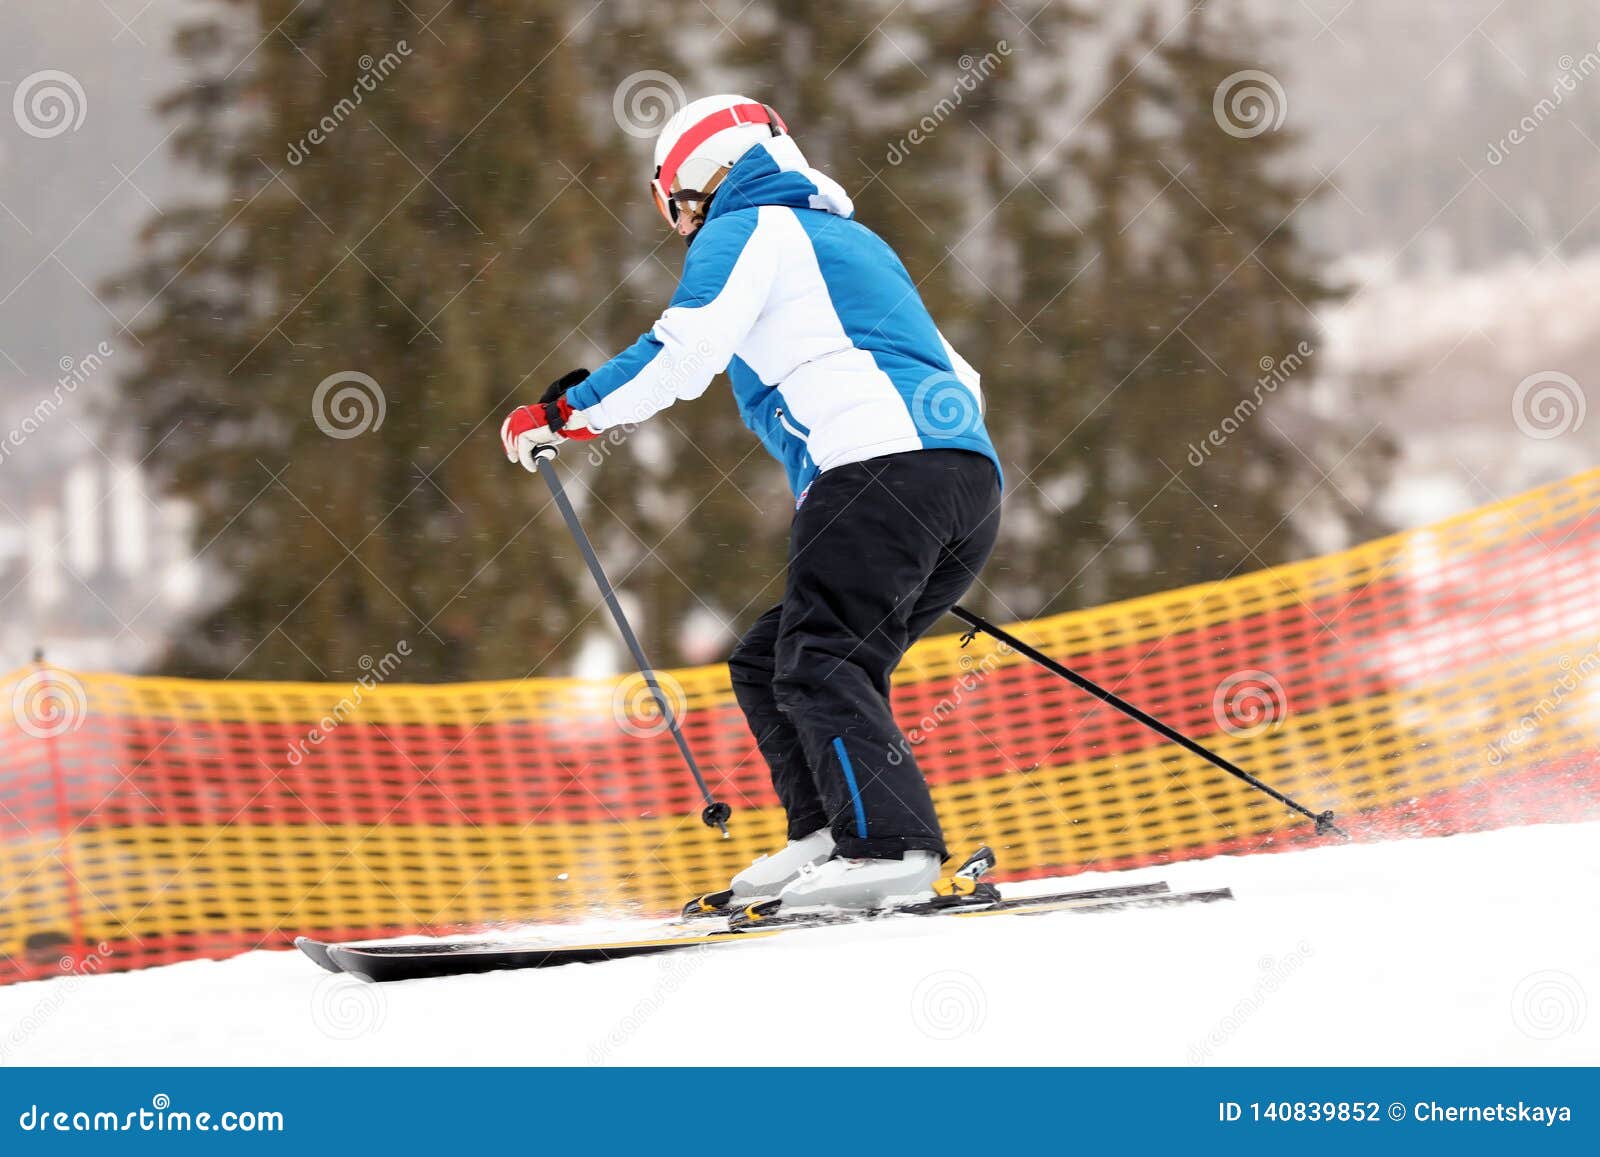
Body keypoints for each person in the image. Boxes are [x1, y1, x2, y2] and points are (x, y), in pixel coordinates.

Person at [501, 94, 1002, 911]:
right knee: (775, 659)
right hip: (962, 480)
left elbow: (682, 351)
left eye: (677, 207)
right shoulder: (856, 241)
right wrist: (930, 505)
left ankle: (892, 850)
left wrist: (564, 413)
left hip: (875, 471)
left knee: (820, 659)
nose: (683, 227)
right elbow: (962, 377)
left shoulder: (753, 227)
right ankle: (827, 834)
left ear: (701, 179)